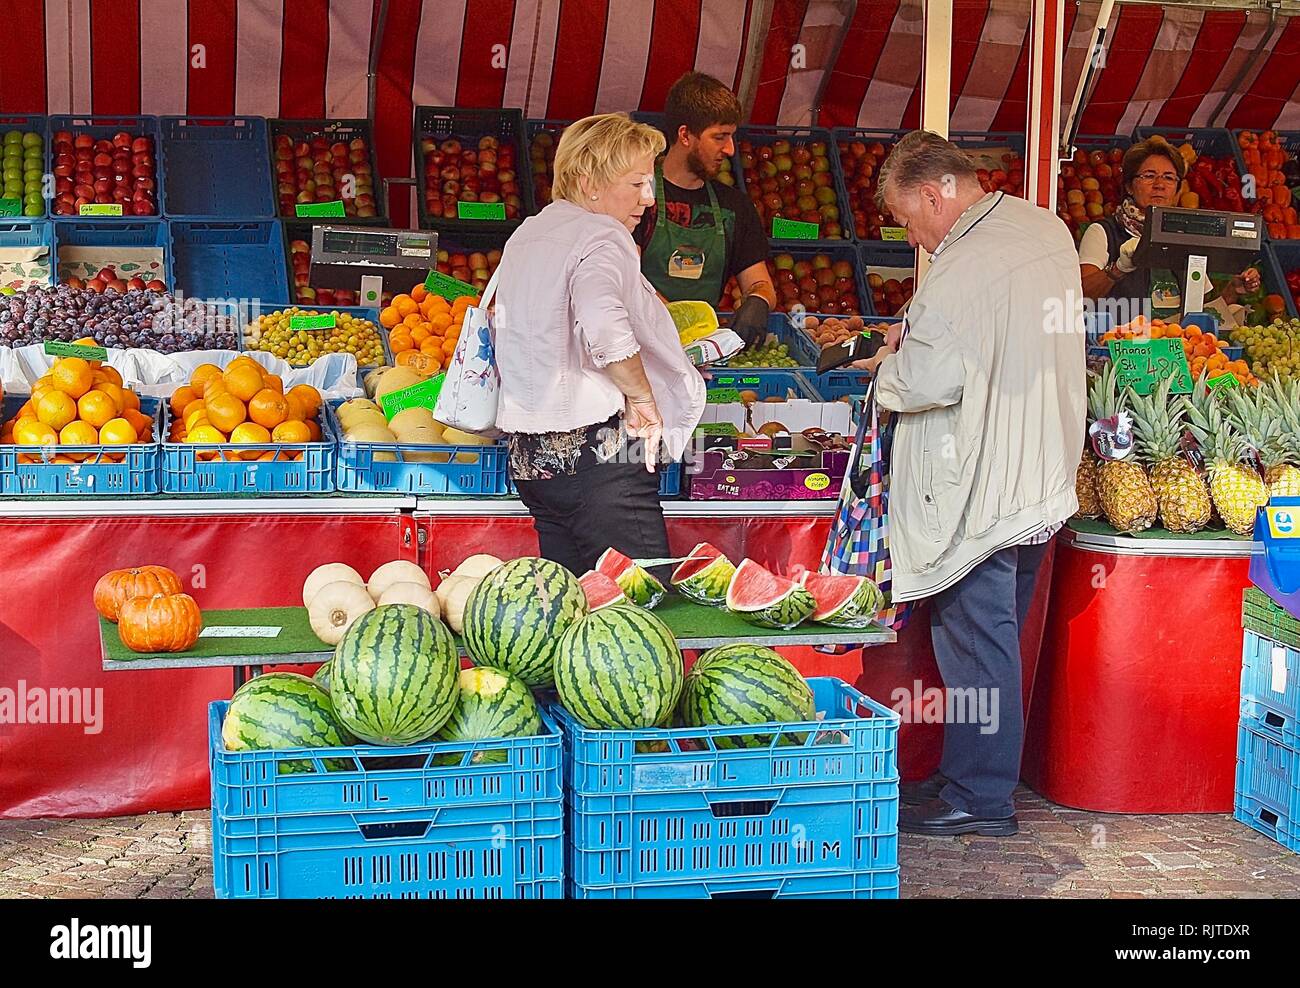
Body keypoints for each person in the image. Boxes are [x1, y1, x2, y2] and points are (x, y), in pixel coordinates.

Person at [859, 131, 1087, 837]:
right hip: (1039, 475)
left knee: (977, 645)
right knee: (998, 638)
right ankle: (974, 777)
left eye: (907, 218)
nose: (913, 236)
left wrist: (883, 370)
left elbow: (930, 378)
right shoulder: (1043, 226)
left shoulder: (959, 271)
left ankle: (981, 799)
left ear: (935, 194)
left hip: (980, 488)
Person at [492, 113, 706, 576]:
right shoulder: (603, 235)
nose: (649, 200)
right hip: (602, 457)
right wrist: (643, 396)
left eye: (650, 184)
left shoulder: (529, 233)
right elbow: (605, 325)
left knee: (573, 613)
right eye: (636, 184)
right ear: (589, 183)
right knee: (636, 615)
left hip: (534, 461)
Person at [634, 71, 775, 349]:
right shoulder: (636, 196)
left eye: (732, 136)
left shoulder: (734, 207)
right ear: (685, 135)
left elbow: (760, 282)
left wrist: (758, 301)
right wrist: (674, 325)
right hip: (640, 344)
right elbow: (626, 279)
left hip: (702, 350)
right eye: (720, 137)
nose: (731, 149)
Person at [1079, 134, 1259, 317]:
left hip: (1173, 343)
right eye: (1149, 176)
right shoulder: (1103, 232)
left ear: (1177, 189)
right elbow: (1080, 296)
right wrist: (1117, 269)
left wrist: (1233, 290)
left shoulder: (1185, 235)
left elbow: (1201, 310)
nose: (1159, 185)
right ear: (1129, 186)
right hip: (1117, 342)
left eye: (1169, 178)